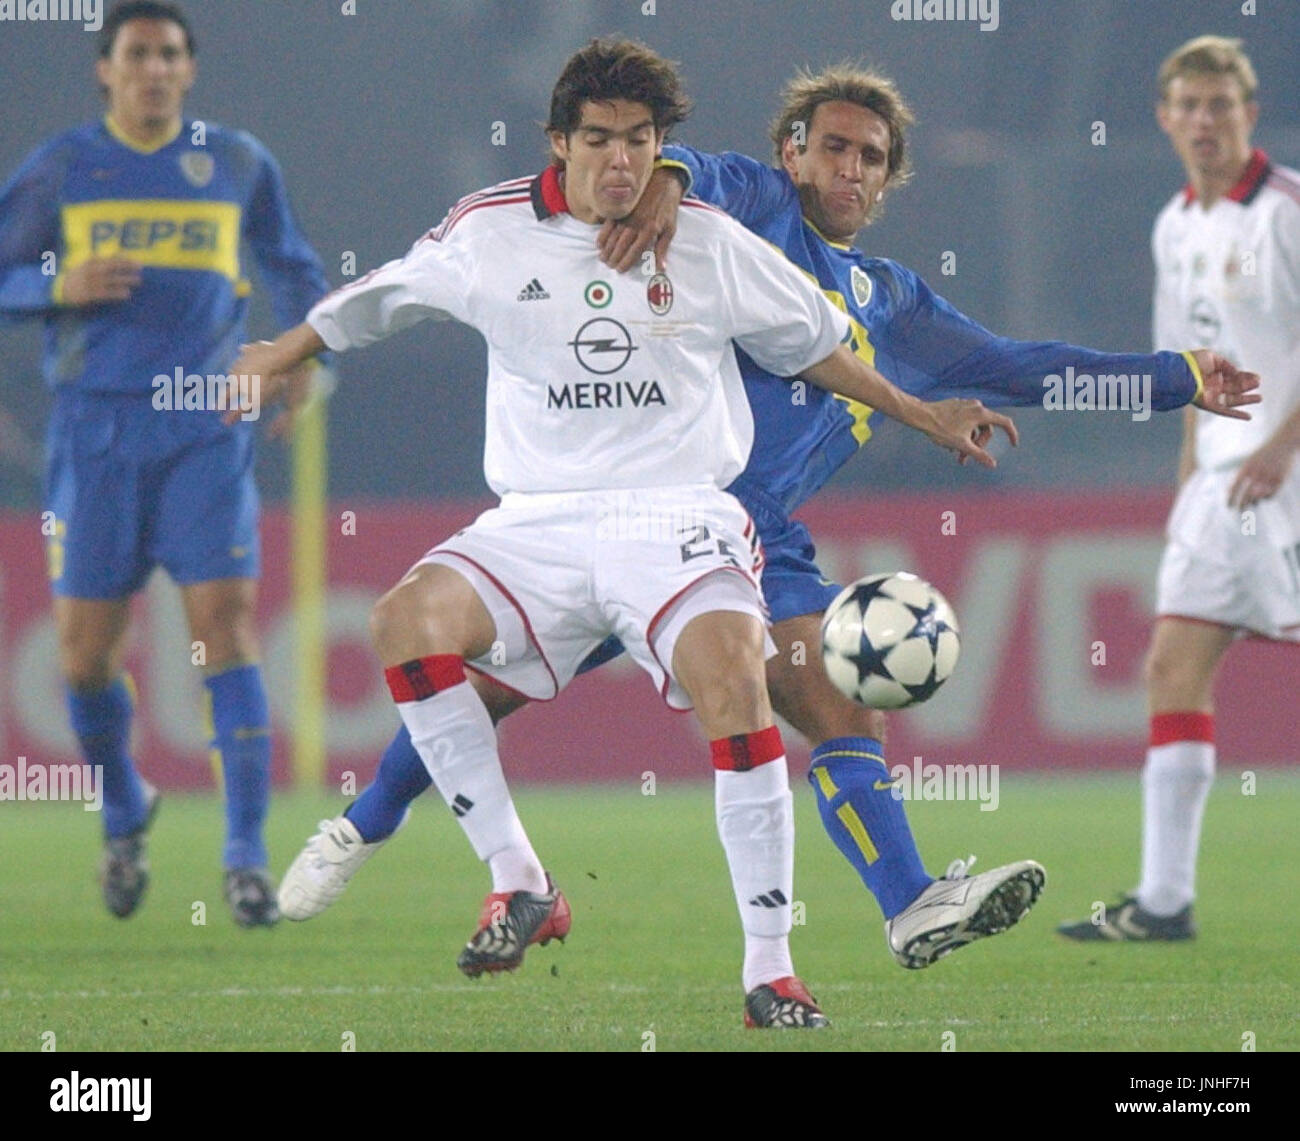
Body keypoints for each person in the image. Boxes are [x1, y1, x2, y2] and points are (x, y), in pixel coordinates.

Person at [278, 63, 1259, 972]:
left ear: (887, 183)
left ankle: (909, 902)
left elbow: (1031, 367)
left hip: (747, 544)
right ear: (790, 153)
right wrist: (661, 174)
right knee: (474, 694)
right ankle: (366, 823)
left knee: (836, 702)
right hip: (640, 507)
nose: (847, 167)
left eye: (870, 157)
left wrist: (1174, 378)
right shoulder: (743, 203)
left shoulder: (894, 311)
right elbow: (685, 165)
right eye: (829, 146)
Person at [236, 37, 1022, 1027]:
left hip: (680, 517)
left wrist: (928, 413)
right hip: (536, 520)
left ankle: (770, 970)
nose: (620, 161)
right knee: (403, 621)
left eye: (640, 141)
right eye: (599, 139)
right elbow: (379, 297)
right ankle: (518, 879)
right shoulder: (489, 233)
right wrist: (284, 348)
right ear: (556, 142)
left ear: (660, 146)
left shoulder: (709, 240)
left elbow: (822, 350)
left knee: (736, 684)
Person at [0, 0, 330, 925]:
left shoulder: (235, 162)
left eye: (171, 54)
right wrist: (51, 283)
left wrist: (304, 354)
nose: (155, 68)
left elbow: (299, 270)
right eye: (138, 54)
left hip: (203, 433)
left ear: (189, 70)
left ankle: (245, 858)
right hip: (95, 437)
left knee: (225, 633)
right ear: (107, 70)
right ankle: (122, 807)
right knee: (82, 659)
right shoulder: (64, 166)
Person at [1059, 36, 1299, 942]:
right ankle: (1164, 901)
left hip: (1290, 473)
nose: (1205, 121)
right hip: (1219, 488)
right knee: (1172, 666)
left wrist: (1279, 448)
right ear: (1165, 118)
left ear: (1249, 109)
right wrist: (1188, 477)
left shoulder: (1285, 211)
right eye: (1188, 106)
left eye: (1221, 105)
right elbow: (1190, 372)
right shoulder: (1173, 222)